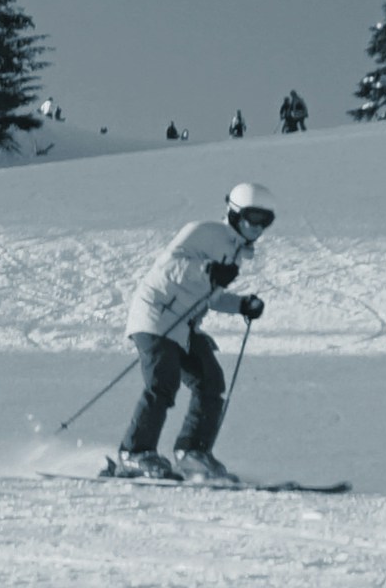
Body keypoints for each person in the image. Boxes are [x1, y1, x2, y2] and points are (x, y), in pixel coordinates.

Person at [108, 181, 276, 480]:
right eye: (253, 217)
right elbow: (170, 267)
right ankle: (133, 452)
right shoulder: (204, 231)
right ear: (236, 214)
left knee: (210, 382)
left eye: (265, 220)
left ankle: (192, 452)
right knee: (163, 382)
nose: (258, 226)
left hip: (184, 326)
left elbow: (208, 296)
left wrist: (241, 305)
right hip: (156, 316)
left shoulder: (235, 251)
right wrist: (207, 270)